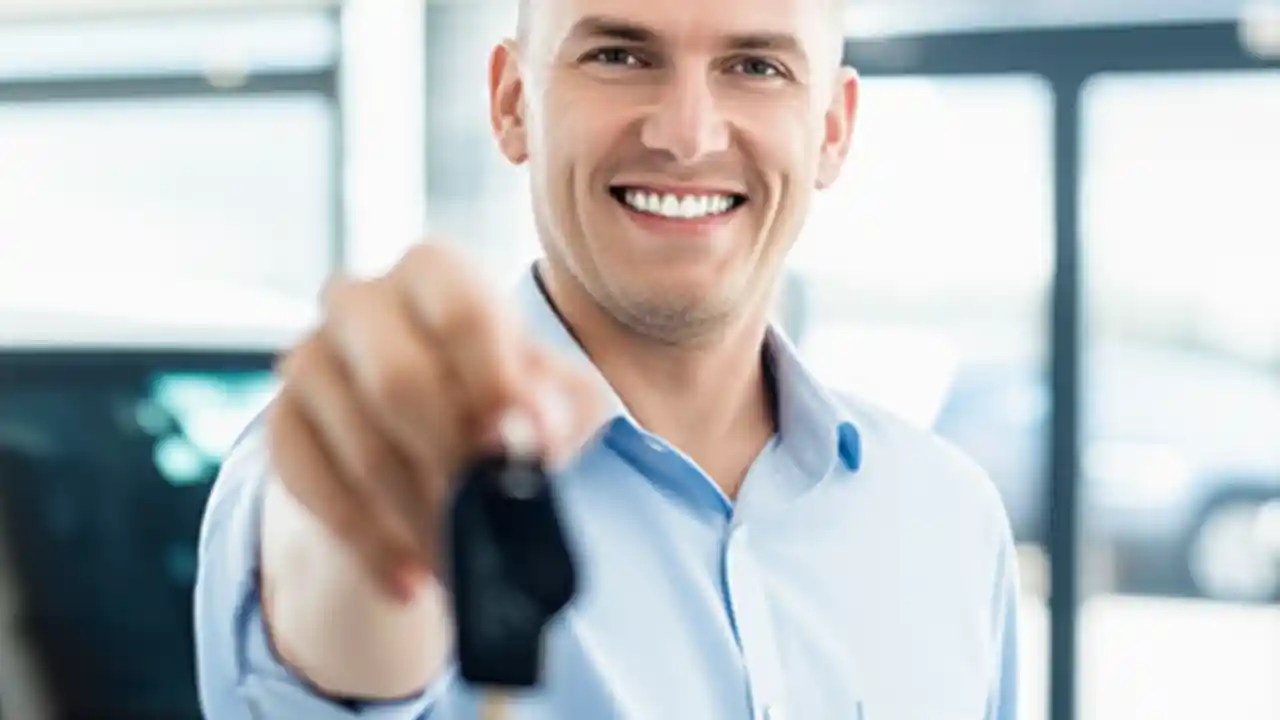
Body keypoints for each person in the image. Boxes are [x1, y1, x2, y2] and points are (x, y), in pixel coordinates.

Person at [195, 0, 1020, 717]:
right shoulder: (387, 455)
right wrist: (362, 528)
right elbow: (335, 616)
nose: (686, 135)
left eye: (756, 66)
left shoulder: (954, 522)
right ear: (514, 103)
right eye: (621, 56)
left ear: (833, 129)